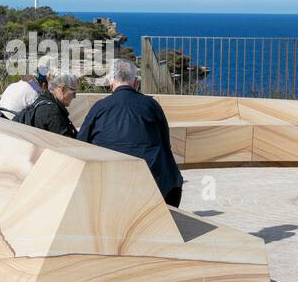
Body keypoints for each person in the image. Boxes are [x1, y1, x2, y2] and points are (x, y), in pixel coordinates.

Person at [77, 59, 184, 207]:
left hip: (109, 181)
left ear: (111, 82)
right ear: (135, 82)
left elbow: (81, 144)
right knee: (172, 172)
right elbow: (166, 143)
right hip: (151, 181)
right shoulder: (151, 105)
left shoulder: (99, 107)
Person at [15, 71, 79, 137]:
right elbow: (66, 142)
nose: (74, 97)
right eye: (73, 93)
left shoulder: (43, 100)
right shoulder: (51, 110)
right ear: (61, 89)